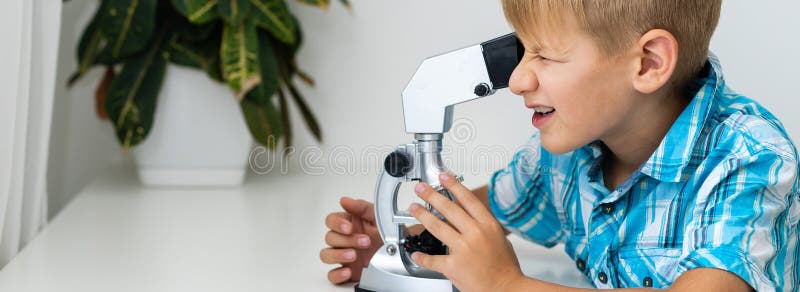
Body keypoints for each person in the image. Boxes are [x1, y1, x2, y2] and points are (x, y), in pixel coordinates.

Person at [320, 0, 800, 290]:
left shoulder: (747, 159)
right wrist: (406, 247)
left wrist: (505, 285)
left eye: (545, 55)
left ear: (649, 63)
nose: (517, 79)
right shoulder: (565, 155)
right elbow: (488, 214)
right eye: (522, 49)